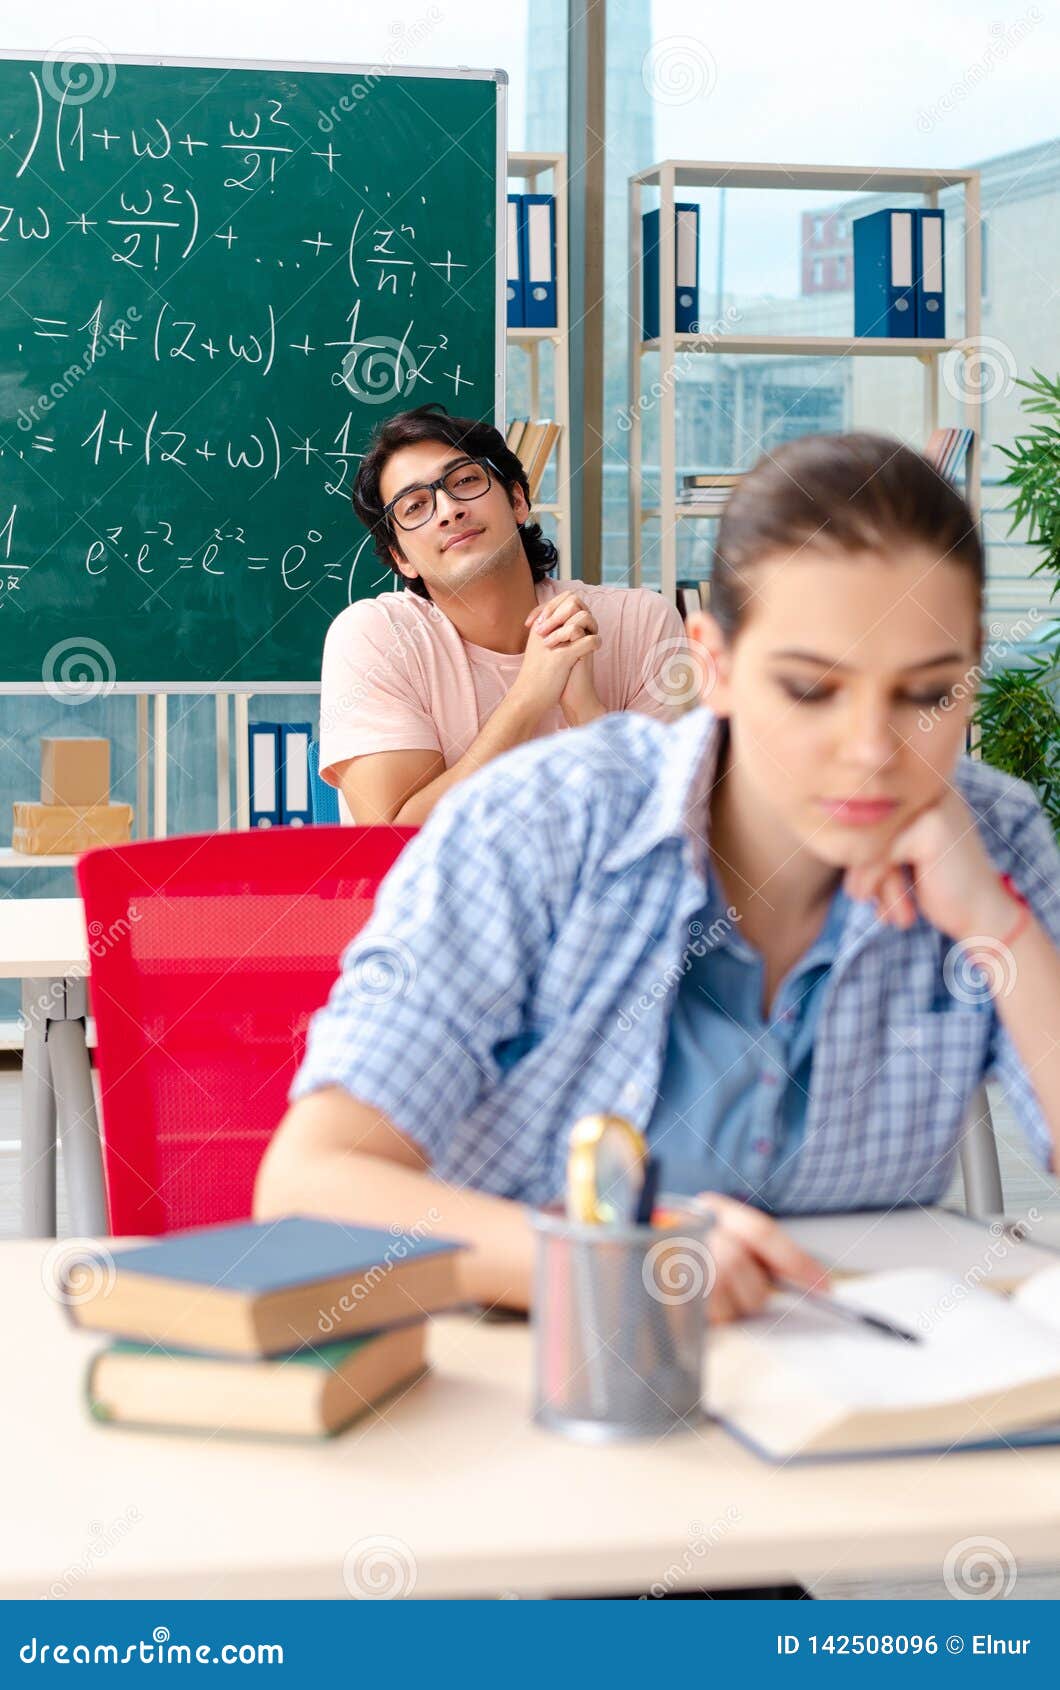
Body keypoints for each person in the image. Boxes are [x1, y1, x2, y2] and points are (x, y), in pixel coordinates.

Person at [256, 431, 1060, 1322]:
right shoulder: (536, 826)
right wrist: (625, 1263)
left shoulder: (994, 837)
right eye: (809, 690)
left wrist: (996, 920)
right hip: (545, 1361)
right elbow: (309, 1183)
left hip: (850, 1379)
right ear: (711, 663)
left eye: (924, 693)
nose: (872, 752)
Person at [320, 403, 689, 824]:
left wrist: (586, 713)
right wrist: (527, 699)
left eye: (465, 481)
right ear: (402, 557)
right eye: (415, 506)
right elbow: (387, 846)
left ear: (516, 500)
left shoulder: (641, 621)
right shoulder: (376, 637)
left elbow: (676, 825)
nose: (449, 510)